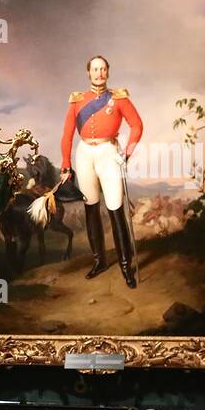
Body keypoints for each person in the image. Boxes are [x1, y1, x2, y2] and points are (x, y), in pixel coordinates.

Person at [60, 55, 143, 288]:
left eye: (103, 69)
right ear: (88, 73)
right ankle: (100, 261)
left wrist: (127, 153)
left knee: (115, 208)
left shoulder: (118, 98)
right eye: (95, 69)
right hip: (84, 154)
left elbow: (137, 125)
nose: (99, 73)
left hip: (109, 152)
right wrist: (66, 165)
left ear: (108, 72)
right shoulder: (77, 100)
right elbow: (67, 134)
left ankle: (126, 266)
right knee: (91, 208)